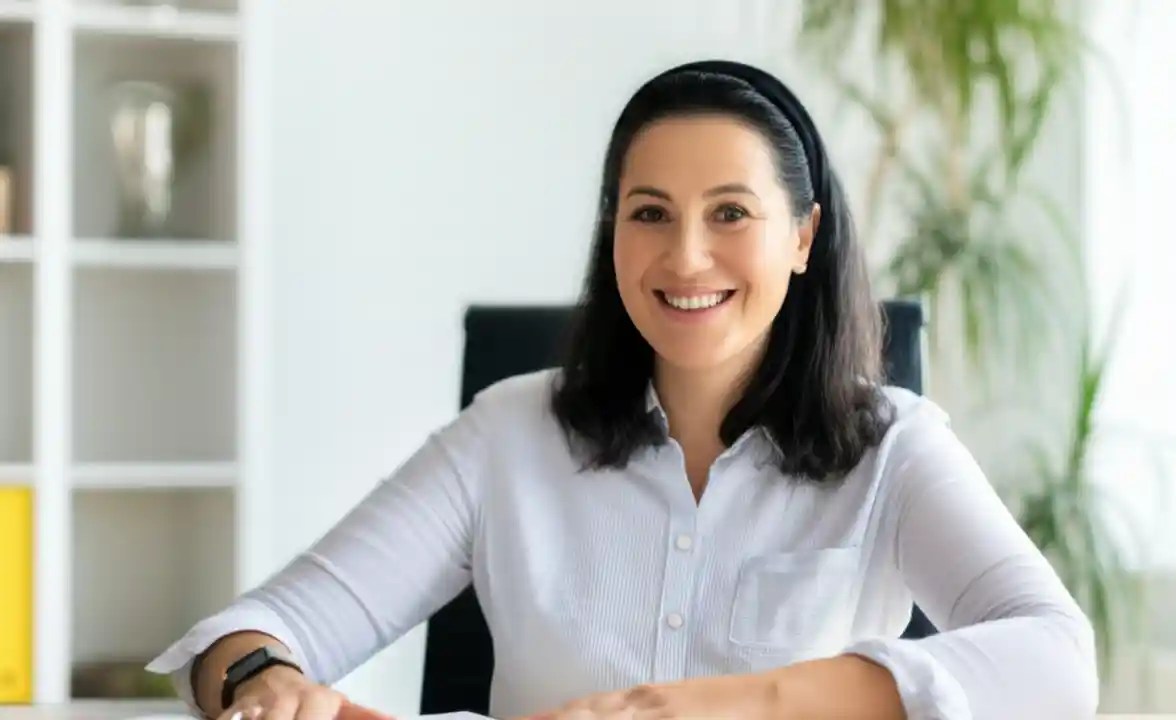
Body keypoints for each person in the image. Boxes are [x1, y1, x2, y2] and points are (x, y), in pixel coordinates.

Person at [148, 60, 1098, 720]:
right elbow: (243, 635)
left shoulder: (894, 444)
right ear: (614, 235)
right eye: (650, 214)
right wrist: (260, 680)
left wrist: (728, 704)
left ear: (802, 237)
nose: (686, 256)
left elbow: (1056, 660)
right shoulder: (507, 435)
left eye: (731, 213)